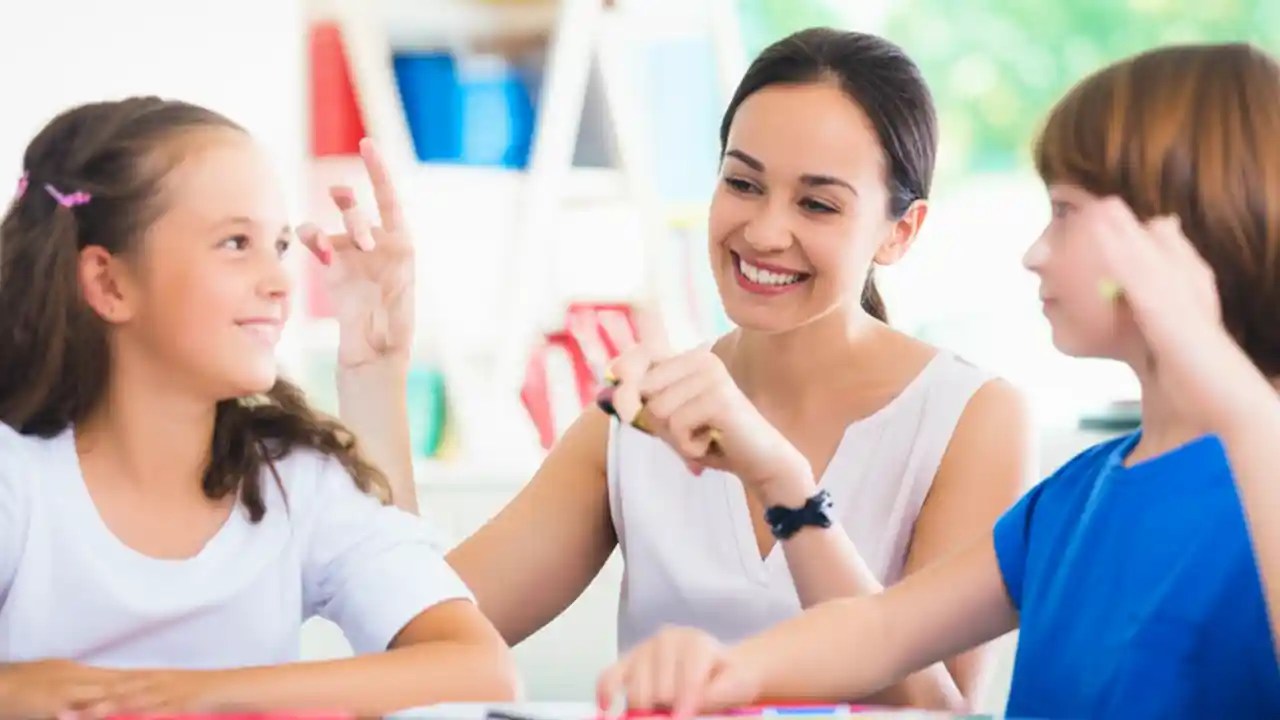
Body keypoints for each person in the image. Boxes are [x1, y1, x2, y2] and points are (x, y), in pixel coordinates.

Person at [597, 42, 1280, 720]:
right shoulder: (1077, 497)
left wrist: (1213, 361)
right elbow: (879, 634)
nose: (1035, 254)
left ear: (1180, 236)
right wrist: (721, 671)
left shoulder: (1258, 472)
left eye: (1066, 214)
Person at [439, 27, 1033, 710]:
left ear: (900, 231)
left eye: (817, 203)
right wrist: (379, 368)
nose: (763, 231)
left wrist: (783, 484)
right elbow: (425, 631)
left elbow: (936, 712)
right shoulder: (643, 411)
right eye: (743, 183)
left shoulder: (971, 414)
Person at [0, 97, 518, 718]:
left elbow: (478, 672)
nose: (280, 281)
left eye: (278, 246)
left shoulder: (295, 481)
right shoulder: (18, 480)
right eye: (235, 242)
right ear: (110, 284)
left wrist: (199, 695)